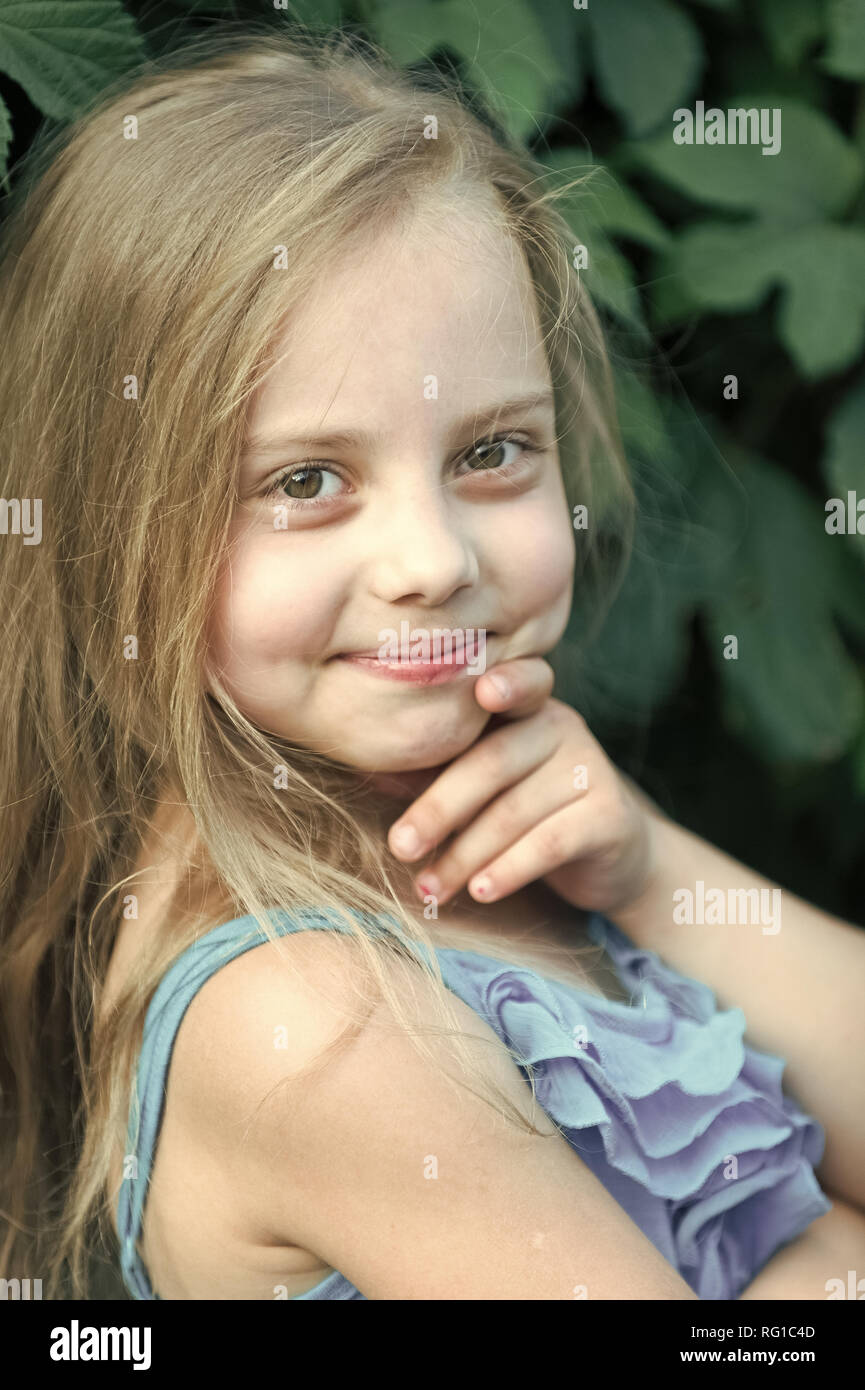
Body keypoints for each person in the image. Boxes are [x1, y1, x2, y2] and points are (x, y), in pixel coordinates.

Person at [1, 27, 863, 1303]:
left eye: (491, 452)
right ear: (114, 525)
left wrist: (650, 866)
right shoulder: (309, 1019)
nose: (432, 557)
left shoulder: (518, 822)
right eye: (306, 479)